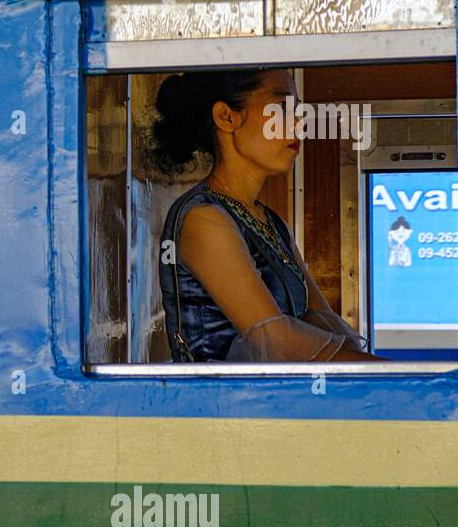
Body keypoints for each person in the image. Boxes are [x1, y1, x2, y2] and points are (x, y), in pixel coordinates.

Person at [154, 68, 380, 363]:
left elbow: (322, 320)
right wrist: (407, 379)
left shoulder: (273, 224)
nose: (298, 123)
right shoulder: (203, 218)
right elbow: (277, 341)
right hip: (222, 393)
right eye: (282, 108)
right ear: (226, 117)